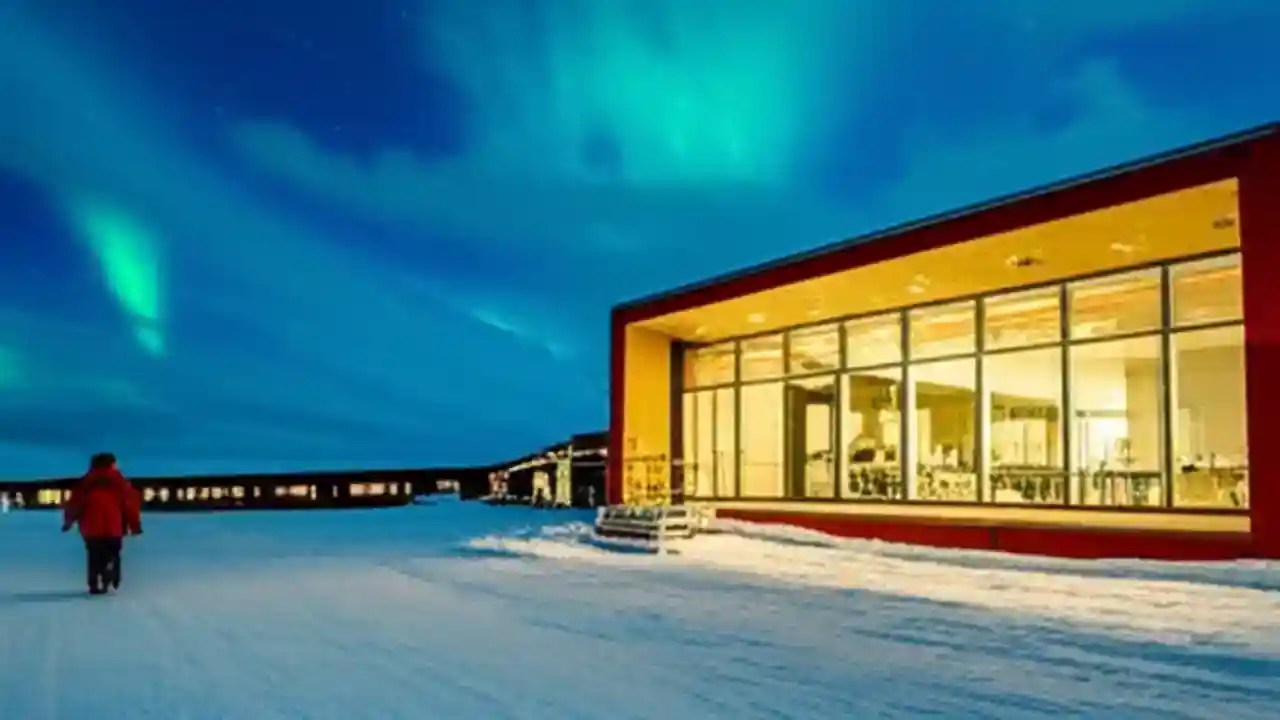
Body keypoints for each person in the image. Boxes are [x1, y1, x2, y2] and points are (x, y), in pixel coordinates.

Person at [62, 453, 143, 595]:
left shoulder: (86, 483)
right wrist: (135, 526)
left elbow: (75, 504)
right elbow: (130, 506)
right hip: (114, 527)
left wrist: (68, 521)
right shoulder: (120, 483)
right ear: (112, 464)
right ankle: (110, 575)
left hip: (91, 529)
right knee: (113, 552)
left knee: (94, 555)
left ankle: (94, 583)